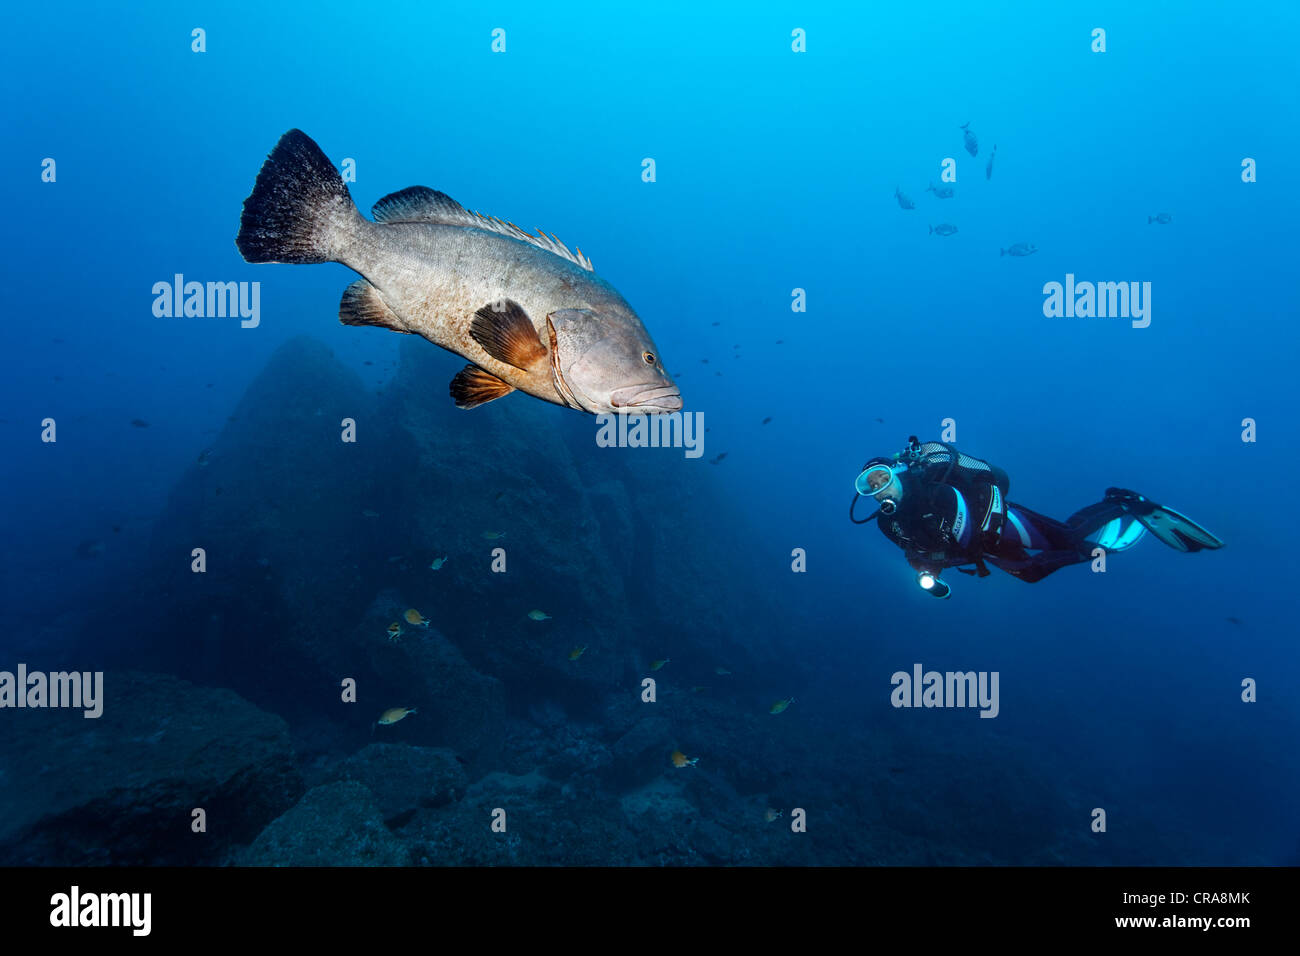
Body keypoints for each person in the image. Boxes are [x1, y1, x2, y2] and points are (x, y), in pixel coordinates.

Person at [851, 437, 1223, 598]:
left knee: (1070, 536)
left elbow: (984, 477)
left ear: (897, 473)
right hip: (984, 552)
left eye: (883, 477)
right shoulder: (888, 523)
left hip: (1004, 524)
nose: (881, 488)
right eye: (871, 486)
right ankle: (1102, 548)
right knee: (1032, 572)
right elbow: (914, 552)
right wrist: (930, 578)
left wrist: (993, 521)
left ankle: (1123, 503)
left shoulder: (933, 485)